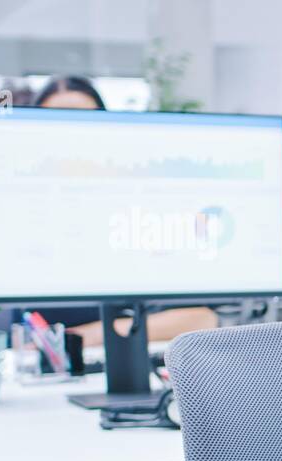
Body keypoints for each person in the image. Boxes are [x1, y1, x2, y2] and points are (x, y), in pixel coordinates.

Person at [31, 75, 219, 347]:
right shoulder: (28, 220)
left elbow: (199, 319)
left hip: (119, 366)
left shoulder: (138, 211)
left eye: (86, 123)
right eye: (56, 124)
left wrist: (84, 337)